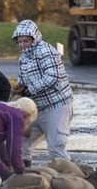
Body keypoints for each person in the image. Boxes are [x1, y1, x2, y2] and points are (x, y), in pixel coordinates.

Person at [12, 19, 74, 162]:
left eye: (26, 41)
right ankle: (24, 172)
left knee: (56, 148)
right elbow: (22, 78)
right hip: (36, 109)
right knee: (20, 145)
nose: (22, 45)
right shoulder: (23, 58)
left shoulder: (46, 51)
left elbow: (53, 76)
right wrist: (19, 88)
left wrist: (30, 89)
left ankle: (71, 173)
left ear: (34, 39)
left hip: (57, 106)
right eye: (20, 42)